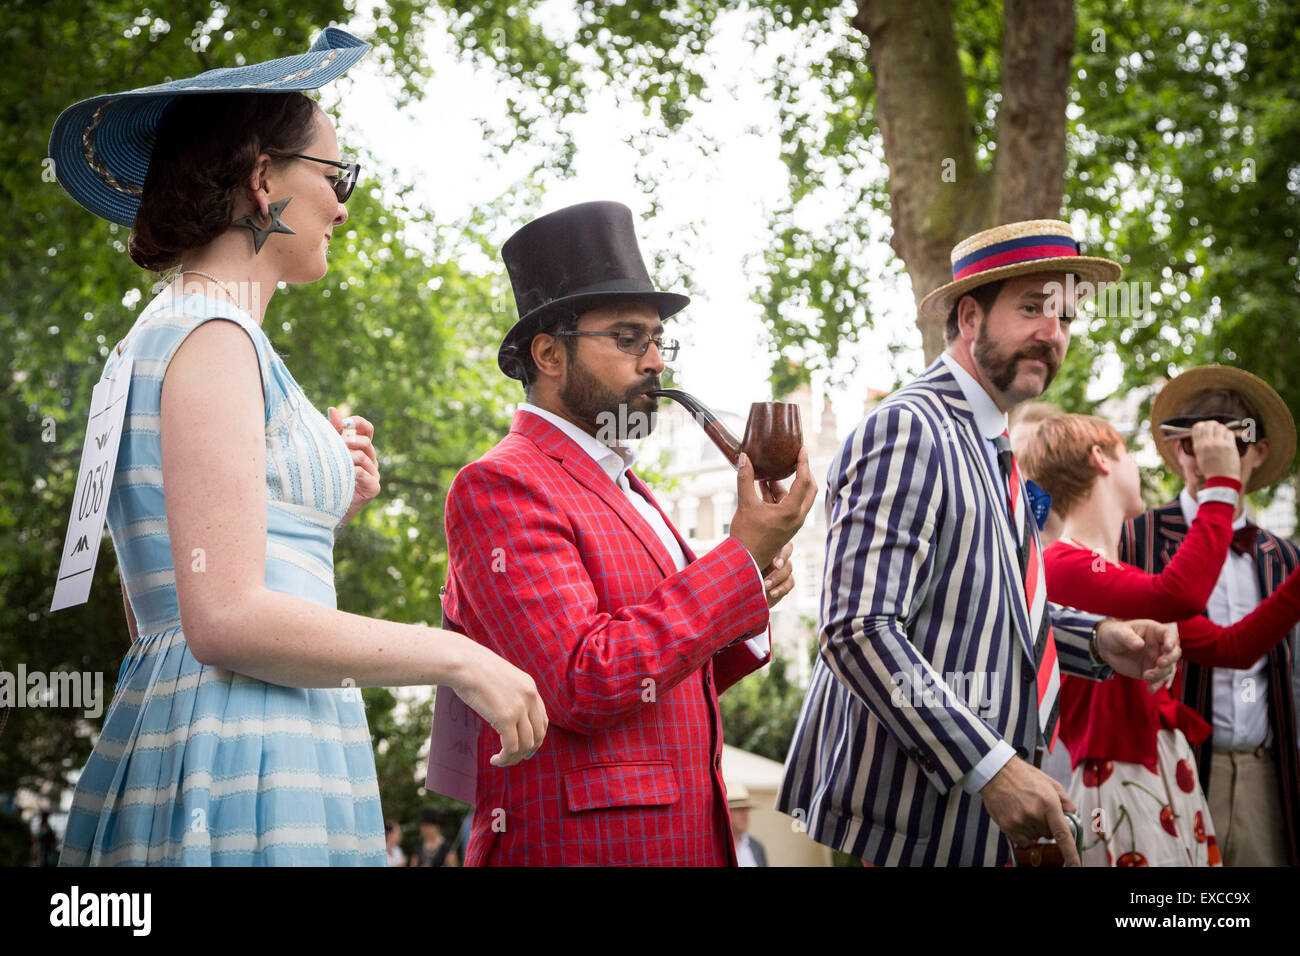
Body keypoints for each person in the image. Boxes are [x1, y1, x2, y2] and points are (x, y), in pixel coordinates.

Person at [50, 28, 546, 866]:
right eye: (334, 174)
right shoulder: (213, 332)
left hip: (198, 724)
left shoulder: (164, 332)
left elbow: (157, 603)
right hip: (248, 746)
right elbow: (224, 618)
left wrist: (310, 508)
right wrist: (458, 656)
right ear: (261, 177)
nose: (345, 204)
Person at [777, 219, 1181, 866]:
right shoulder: (909, 428)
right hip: (908, 830)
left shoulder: (995, 448)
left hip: (972, 829)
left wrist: (1099, 639)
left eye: (1066, 318)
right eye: (1032, 308)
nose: (1053, 333)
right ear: (970, 316)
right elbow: (858, 628)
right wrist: (989, 767)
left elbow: (993, 606)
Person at [440, 201, 817, 865]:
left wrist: (748, 596)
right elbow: (583, 680)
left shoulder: (629, 488)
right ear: (550, 354)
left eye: (658, 340)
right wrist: (736, 560)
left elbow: (664, 687)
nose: (655, 363)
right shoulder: (500, 485)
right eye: (627, 338)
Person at [1022, 412, 1300, 866]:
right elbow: (1181, 594)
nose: (1138, 466)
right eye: (1128, 454)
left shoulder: (1118, 575)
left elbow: (1235, 647)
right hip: (1115, 789)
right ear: (1101, 459)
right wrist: (1222, 484)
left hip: (1162, 778)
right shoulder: (1062, 564)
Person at [1119, 366, 1300, 866]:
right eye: (1195, 440)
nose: (1209, 457)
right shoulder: (1137, 538)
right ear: (1178, 449)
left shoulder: (1283, 556)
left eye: (1230, 443)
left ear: (1257, 453)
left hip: (1270, 772)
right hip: (1170, 766)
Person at [728, 785, 768, 867]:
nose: (744, 815)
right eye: (738, 810)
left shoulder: (756, 847)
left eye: (746, 810)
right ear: (727, 813)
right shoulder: (715, 848)